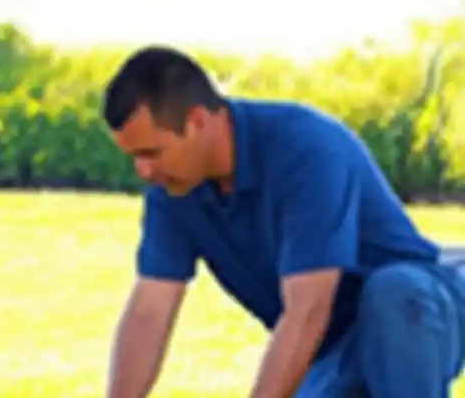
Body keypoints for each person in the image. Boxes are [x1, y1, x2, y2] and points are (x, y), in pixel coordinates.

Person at [101, 45, 465, 398]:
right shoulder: (174, 191)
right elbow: (150, 309)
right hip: (333, 349)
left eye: (151, 153)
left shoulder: (305, 149)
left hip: (421, 312)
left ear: (197, 121)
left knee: (394, 291)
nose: (143, 171)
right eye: (133, 157)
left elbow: (308, 308)